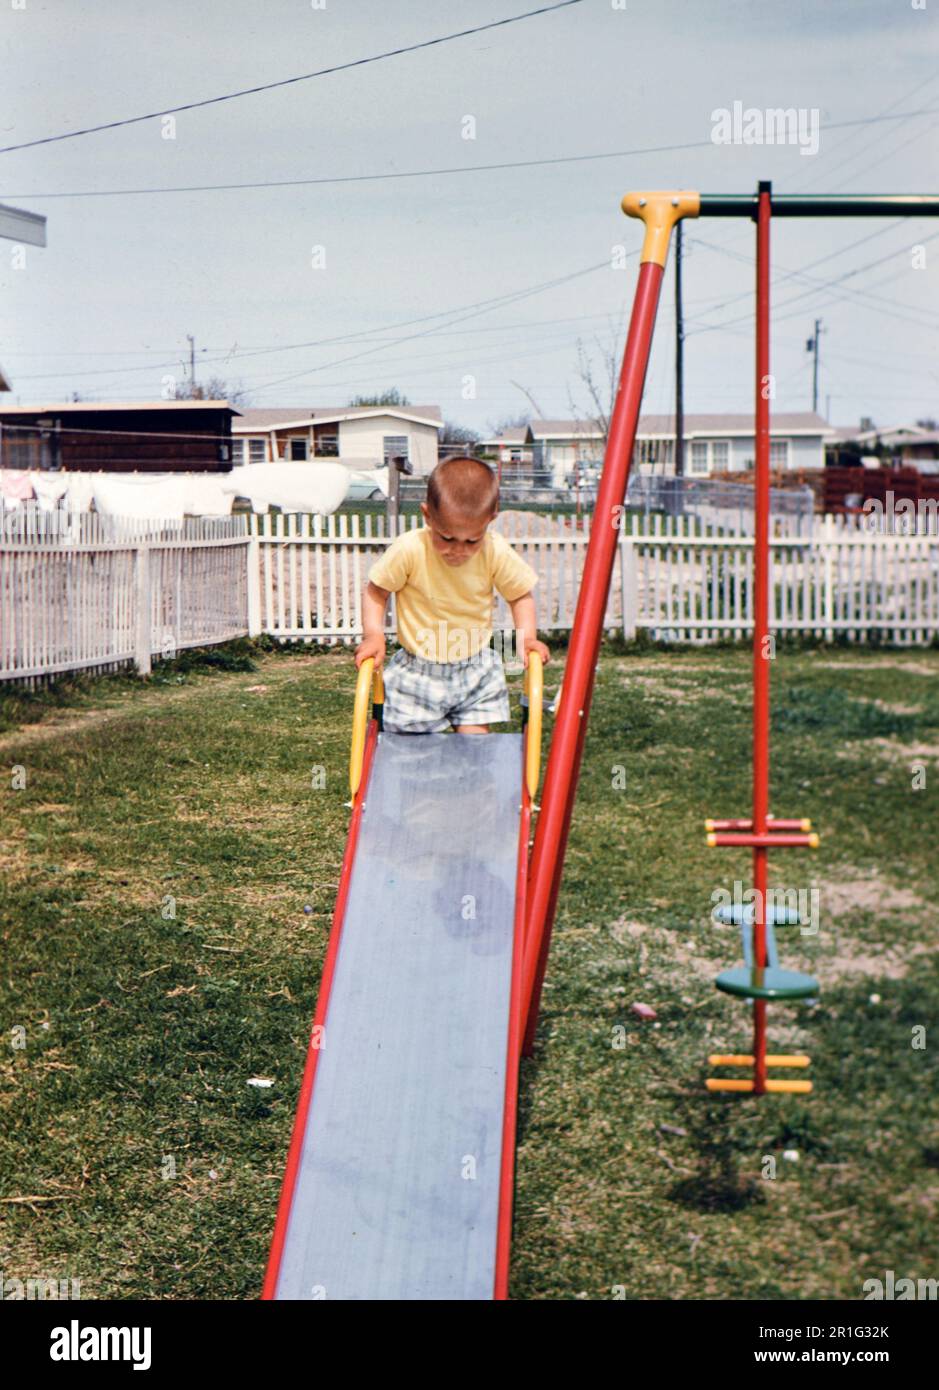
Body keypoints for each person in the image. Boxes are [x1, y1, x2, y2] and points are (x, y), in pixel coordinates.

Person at [355, 456, 549, 733]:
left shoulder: (494, 550)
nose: (459, 549)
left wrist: (527, 637)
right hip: (417, 671)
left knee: (474, 754)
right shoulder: (410, 549)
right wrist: (373, 634)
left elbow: (520, 595)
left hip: (475, 669)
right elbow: (376, 591)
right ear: (427, 516)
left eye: (472, 540)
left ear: (490, 520)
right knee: (412, 759)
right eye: (446, 538)